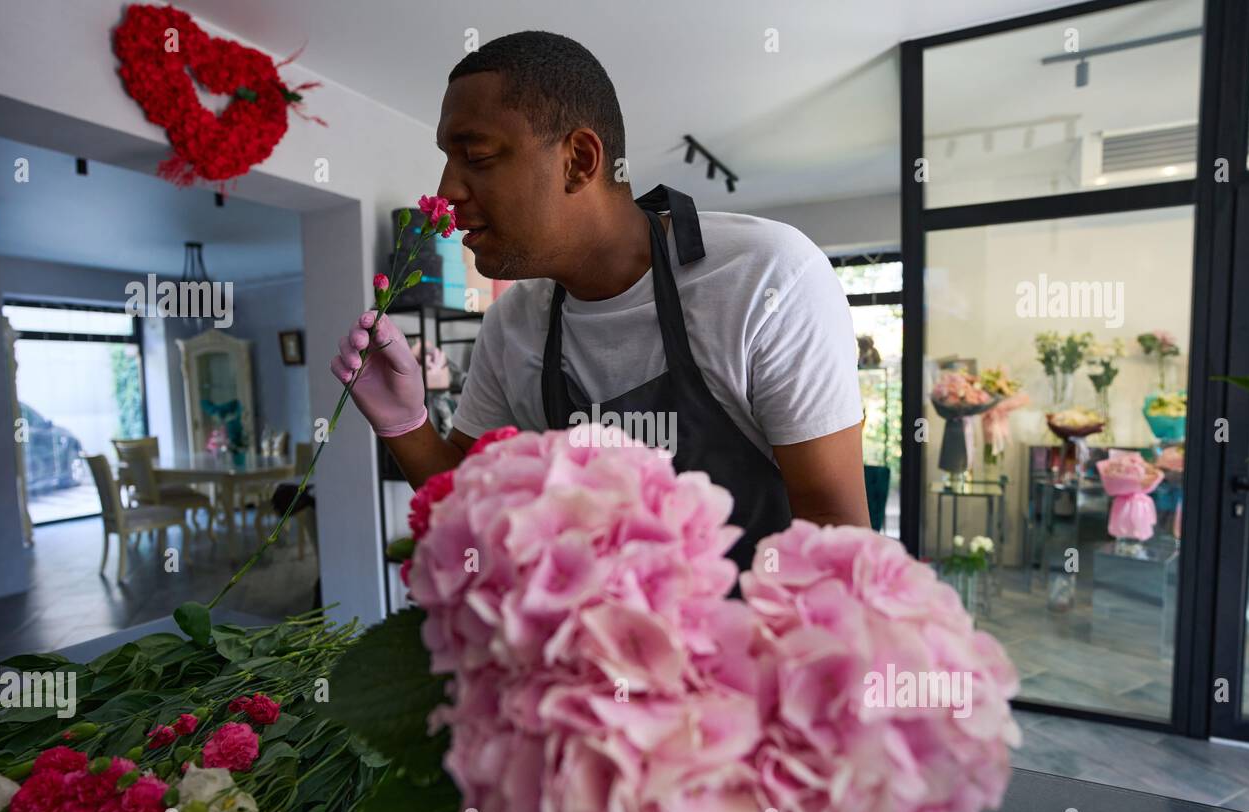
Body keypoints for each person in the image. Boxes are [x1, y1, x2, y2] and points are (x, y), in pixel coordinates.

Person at [332, 30, 868, 570]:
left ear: (579, 160)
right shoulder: (513, 323)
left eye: (477, 156)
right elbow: (467, 511)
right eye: (449, 159)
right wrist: (405, 423)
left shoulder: (766, 278)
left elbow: (833, 527)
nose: (447, 190)